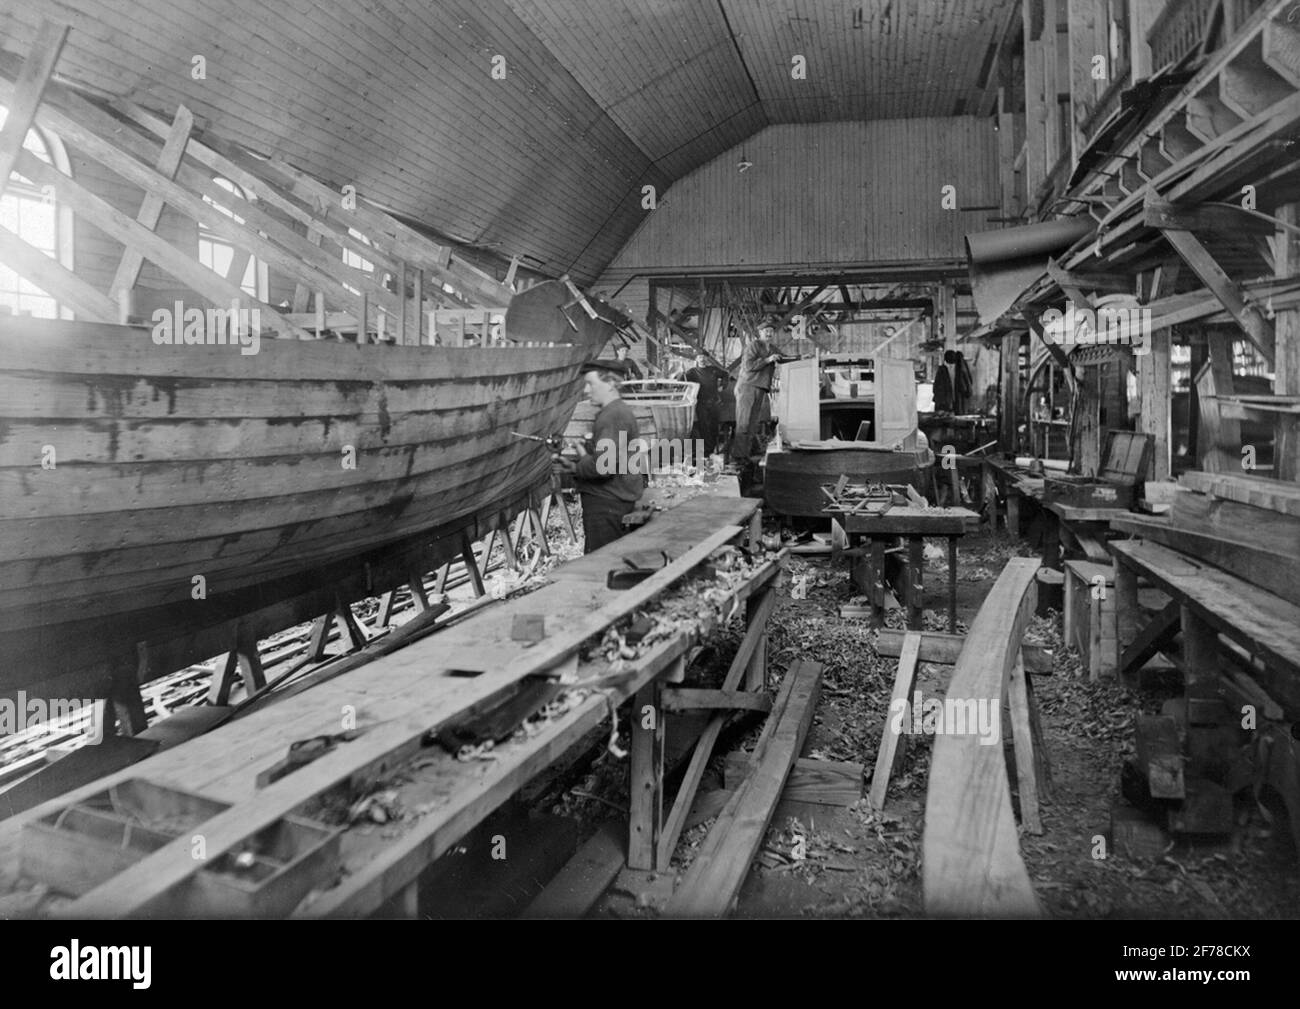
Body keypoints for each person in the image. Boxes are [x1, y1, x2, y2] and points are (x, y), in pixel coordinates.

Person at [558, 365, 643, 554]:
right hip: (617, 499)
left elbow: (604, 468)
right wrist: (585, 454)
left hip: (606, 504)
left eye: (590, 384)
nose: (586, 390)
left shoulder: (612, 416)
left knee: (600, 566)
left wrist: (574, 468)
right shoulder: (620, 411)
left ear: (611, 383)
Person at [730, 322, 781, 463]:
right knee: (743, 423)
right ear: (760, 333)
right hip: (747, 386)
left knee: (752, 424)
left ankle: (744, 455)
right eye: (766, 331)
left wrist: (802, 357)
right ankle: (738, 457)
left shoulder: (773, 348)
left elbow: (784, 359)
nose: (769, 333)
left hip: (760, 388)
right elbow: (748, 365)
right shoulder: (753, 346)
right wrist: (767, 360)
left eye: (771, 331)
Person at [684, 351, 723, 455]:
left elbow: (726, 374)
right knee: (704, 426)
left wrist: (723, 386)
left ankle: (713, 448)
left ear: (707, 359)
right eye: (700, 357)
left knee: (714, 426)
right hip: (701, 403)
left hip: (714, 402)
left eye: (704, 357)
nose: (702, 359)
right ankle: (707, 450)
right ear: (696, 359)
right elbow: (682, 379)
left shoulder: (713, 370)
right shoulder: (692, 372)